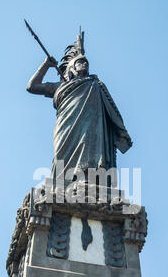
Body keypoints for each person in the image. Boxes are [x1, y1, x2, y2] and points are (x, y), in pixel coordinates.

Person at [26, 30, 132, 182]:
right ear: (71, 68)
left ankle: (89, 181)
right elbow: (32, 87)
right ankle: (62, 182)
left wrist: (120, 130)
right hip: (66, 126)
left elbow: (110, 108)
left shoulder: (94, 84)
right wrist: (45, 65)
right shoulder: (60, 86)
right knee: (61, 154)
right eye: (80, 62)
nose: (85, 64)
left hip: (91, 126)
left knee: (90, 153)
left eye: (86, 62)